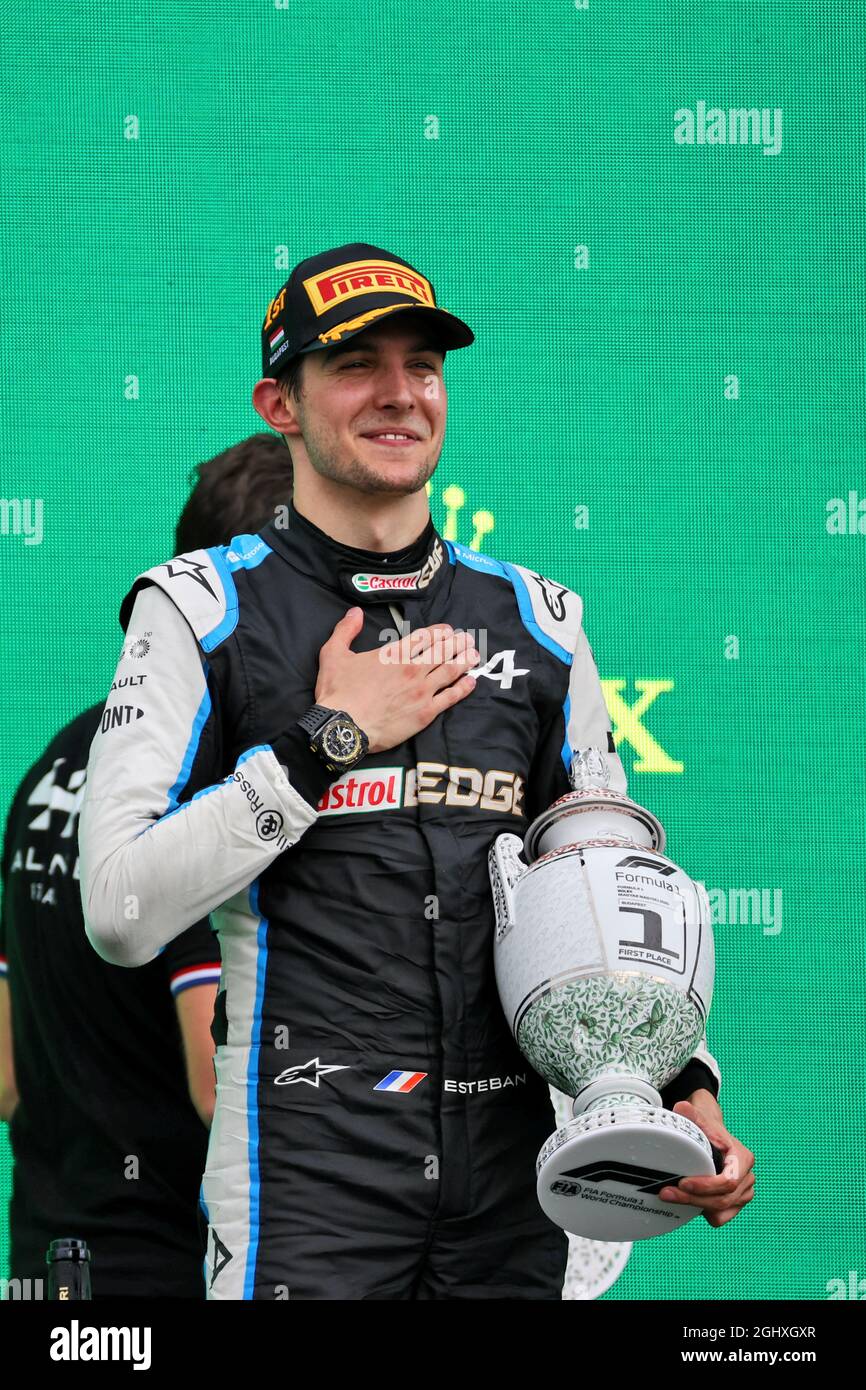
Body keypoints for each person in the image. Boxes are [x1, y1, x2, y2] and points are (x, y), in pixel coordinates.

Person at [79, 243, 754, 1301]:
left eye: (422, 365)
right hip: (305, 1170)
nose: (399, 393)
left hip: (510, 1174)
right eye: (354, 364)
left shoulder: (540, 620)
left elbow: (600, 895)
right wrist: (326, 741)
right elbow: (119, 908)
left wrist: (678, 1084)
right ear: (280, 404)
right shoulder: (198, 608)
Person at [0, 433, 293, 1296]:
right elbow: (218, 1088)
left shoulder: (61, 760)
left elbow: (8, 1083)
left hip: (50, 1267)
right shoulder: (220, 795)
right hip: (177, 1270)